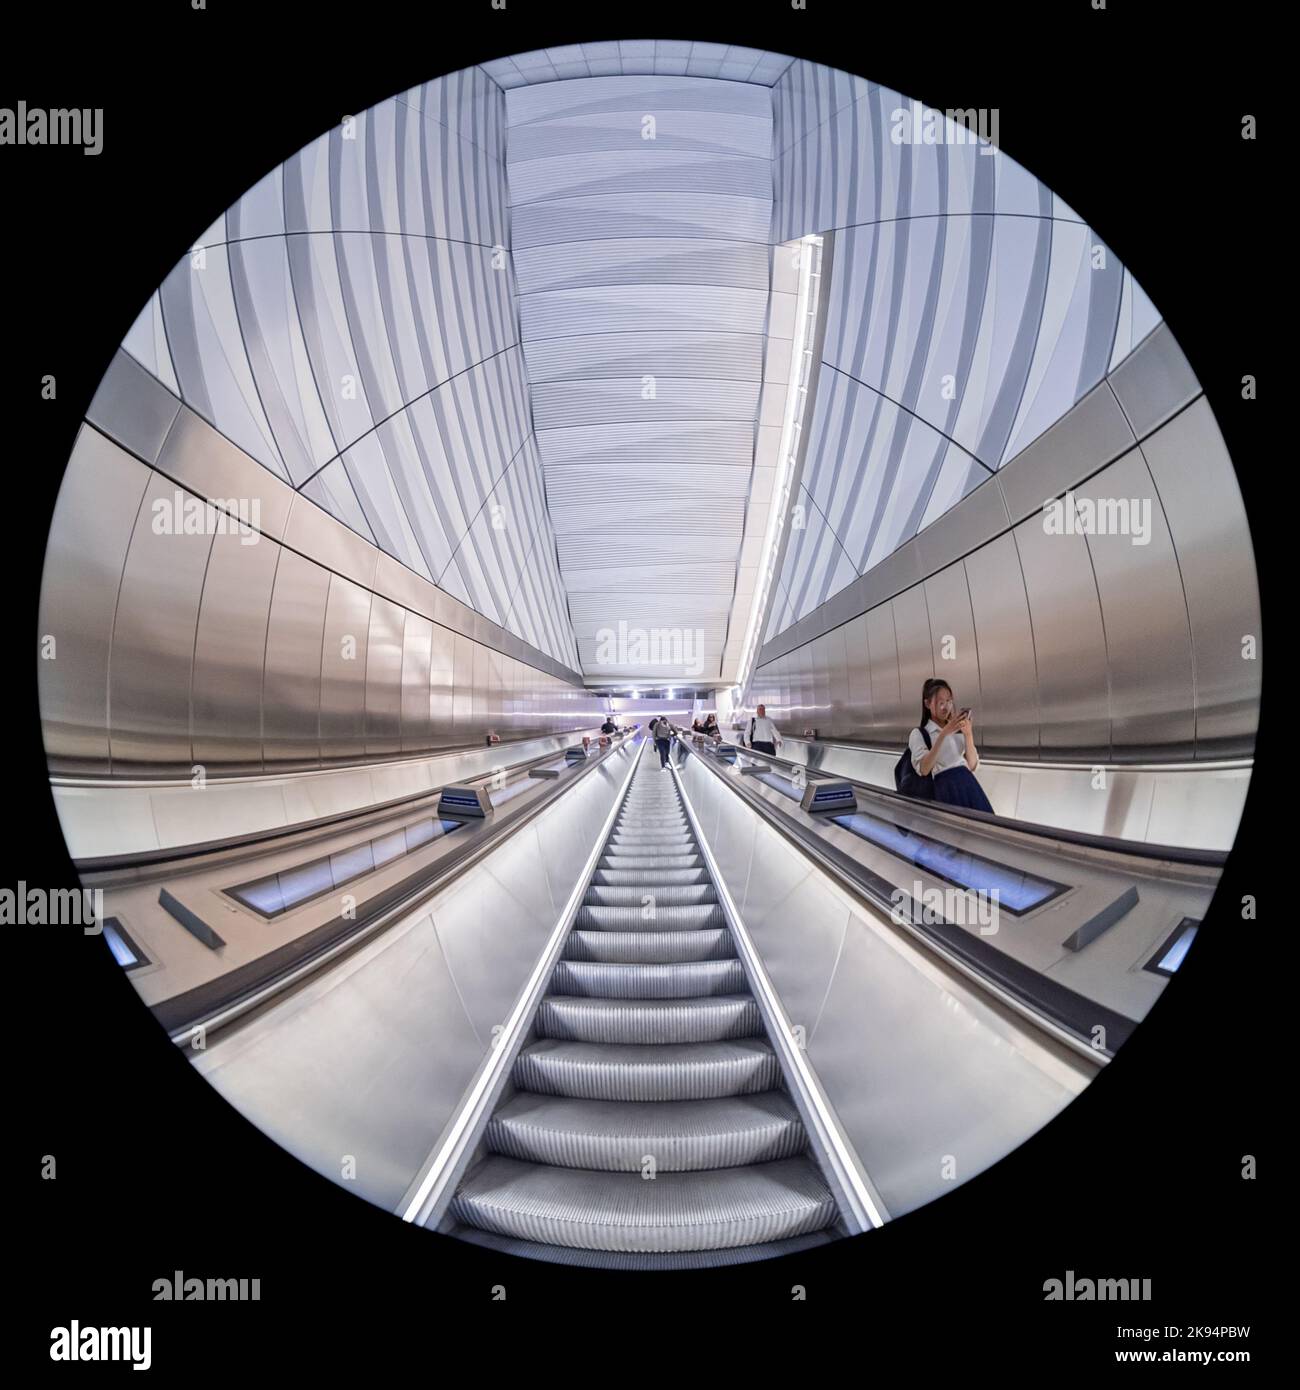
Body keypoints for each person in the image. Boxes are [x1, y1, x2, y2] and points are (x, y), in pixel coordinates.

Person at [908, 678, 994, 813]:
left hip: (969, 783)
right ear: (927, 703)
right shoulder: (919, 733)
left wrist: (968, 734)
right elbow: (924, 769)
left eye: (949, 701)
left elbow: (972, 765)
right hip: (945, 787)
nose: (946, 707)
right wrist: (944, 734)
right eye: (940, 702)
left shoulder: (957, 728)